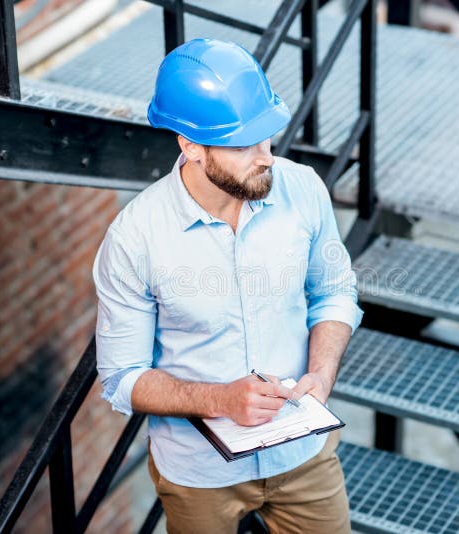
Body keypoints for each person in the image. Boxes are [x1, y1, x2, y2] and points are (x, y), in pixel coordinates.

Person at [92, 38, 362, 533]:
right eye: (243, 145)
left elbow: (335, 291)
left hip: (302, 454)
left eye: (268, 137)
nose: (265, 157)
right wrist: (221, 400)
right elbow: (122, 378)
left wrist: (321, 377)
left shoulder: (301, 188)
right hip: (199, 474)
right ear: (190, 146)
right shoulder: (134, 239)